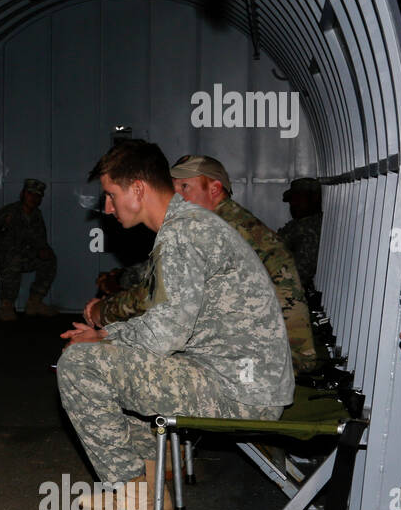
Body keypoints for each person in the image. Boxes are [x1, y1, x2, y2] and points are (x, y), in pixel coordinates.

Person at [56, 140, 293, 510]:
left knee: (82, 366)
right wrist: (107, 336)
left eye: (111, 196)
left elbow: (164, 334)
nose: (107, 209)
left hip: (241, 390)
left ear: (138, 189)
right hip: (239, 379)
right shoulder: (187, 226)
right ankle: (148, 497)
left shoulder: (183, 234)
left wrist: (101, 339)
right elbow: (165, 318)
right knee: (117, 362)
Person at [83, 155, 319, 374]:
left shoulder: (214, 230)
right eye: (172, 188)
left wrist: (103, 312)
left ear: (215, 189)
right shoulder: (227, 222)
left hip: (269, 359)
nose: (176, 196)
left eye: (185, 187)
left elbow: (154, 294)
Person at [0, 178, 57, 320]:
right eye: (30, 193)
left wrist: (43, 251)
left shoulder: (36, 216)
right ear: (23, 194)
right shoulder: (8, 214)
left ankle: (34, 303)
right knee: (13, 258)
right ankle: (7, 305)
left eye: (37, 195)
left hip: (14, 255)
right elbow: (4, 246)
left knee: (49, 258)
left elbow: (40, 242)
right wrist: (35, 252)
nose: (33, 198)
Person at [279, 177, 323, 292]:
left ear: (314, 198)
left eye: (298, 198)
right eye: (292, 200)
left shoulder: (310, 230)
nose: (293, 203)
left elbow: (300, 273)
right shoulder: (299, 224)